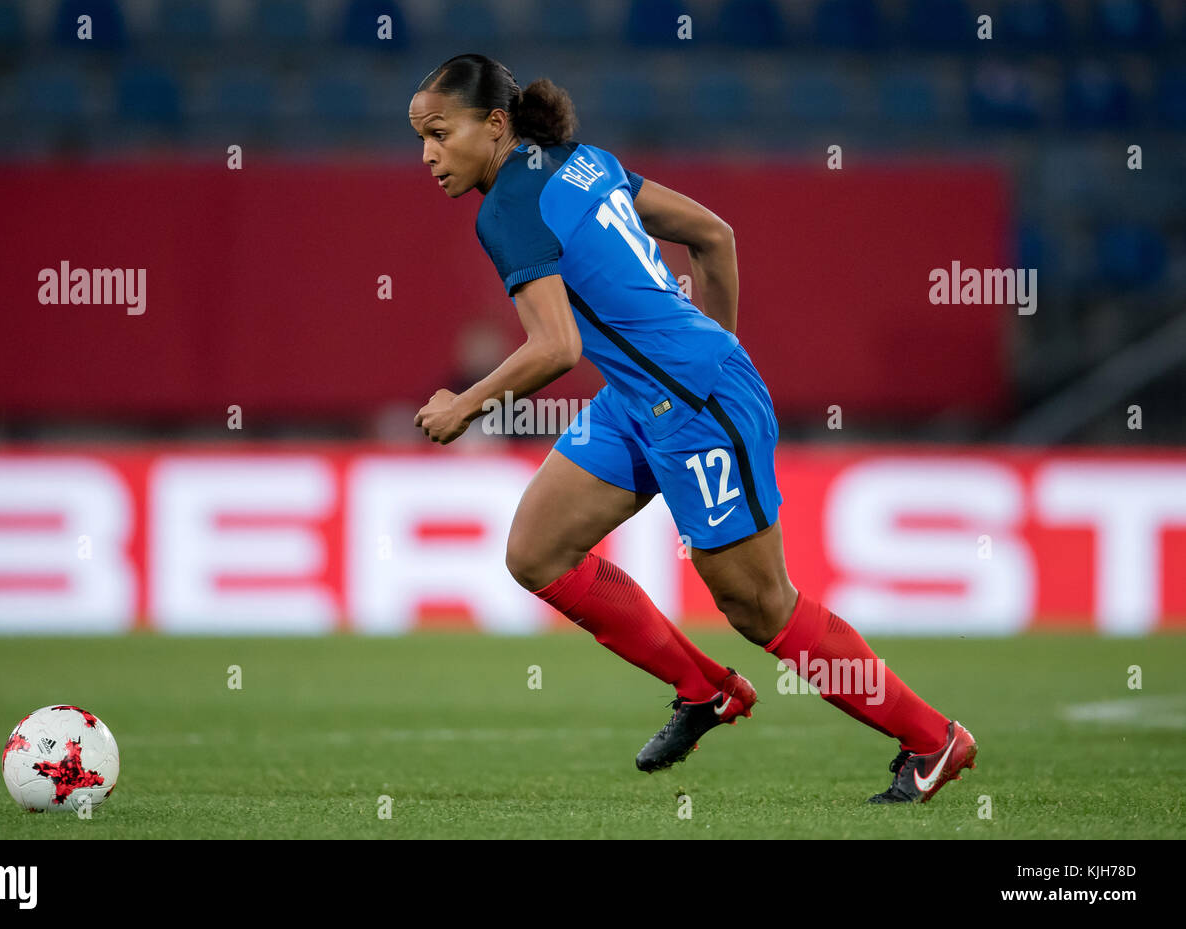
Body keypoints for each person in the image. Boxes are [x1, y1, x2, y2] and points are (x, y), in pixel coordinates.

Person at [408, 54, 976, 802]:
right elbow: (714, 235)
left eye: (440, 133)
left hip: (693, 402)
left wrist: (466, 404)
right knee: (537, 551)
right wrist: (716, 346)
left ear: (494, 125)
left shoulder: (507, 210)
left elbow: (557, 347)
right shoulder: (583, 162)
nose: (428, 155)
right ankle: (706, 690)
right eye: (421, 139)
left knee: (760, 606)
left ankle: (933, 739)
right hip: (643, 397)